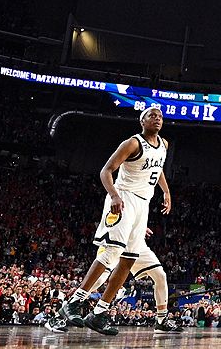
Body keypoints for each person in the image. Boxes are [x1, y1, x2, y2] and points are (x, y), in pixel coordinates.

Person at [49, 107, 174, 336]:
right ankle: (73, 304)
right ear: (142, 121)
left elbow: (159, 168)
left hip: (143, 204)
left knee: (128, 260)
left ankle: (100, 313)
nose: (157, 119)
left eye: (160, 116)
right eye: (152, 116)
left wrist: (166, 191)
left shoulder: (164, 145)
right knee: (110, 255)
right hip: (124, 198)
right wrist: (115, 195)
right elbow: (106, 171)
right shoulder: (132, 143)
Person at [48, 226, 182, 333]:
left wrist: (140, 226)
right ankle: (57, 317)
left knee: (160, 275)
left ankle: (161, 321)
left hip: (136, 241)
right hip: (118, 236)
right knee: (99, 280)